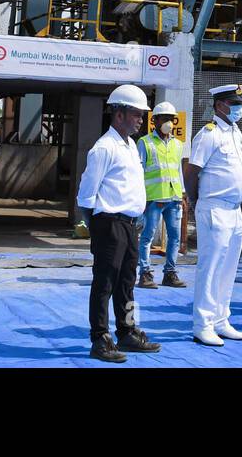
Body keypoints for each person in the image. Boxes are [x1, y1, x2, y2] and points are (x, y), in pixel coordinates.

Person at [76, 84, 161, 363]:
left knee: (127, 281)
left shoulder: (130, 146)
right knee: (104, 282)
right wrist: (98, 226)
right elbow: (87, 194)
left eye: (141, 114)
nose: (141, 119)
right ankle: (100, 338)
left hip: (129, 224)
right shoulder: (104, 148)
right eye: (136, 114)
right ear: (119, 114)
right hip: (109, 222)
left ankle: (126, 331)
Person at [186, 83, 242, 346]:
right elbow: (191, 172)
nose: (238, 108)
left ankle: (221, 319)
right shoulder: (208, 134)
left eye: (239, 104)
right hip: (214, 208)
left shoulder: (235, 133)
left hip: (235, 210)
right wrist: (195, 200)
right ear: (219, 106)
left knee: (228, 269)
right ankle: (202, 324)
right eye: (233, 104)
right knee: (210, 268)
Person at [136, 101, 186, 290]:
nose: (168, 122)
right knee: (147, 237)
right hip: (153, 199)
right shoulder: (145, 142)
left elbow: (178, 170)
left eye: (171, 119)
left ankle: (170, 273)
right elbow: (139, 172)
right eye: (164, 118)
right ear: (154, 121)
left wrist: (183, 194)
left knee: (174, 237)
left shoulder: (177, 144)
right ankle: (145, 273)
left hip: (173, 199)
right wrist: (141, 198)